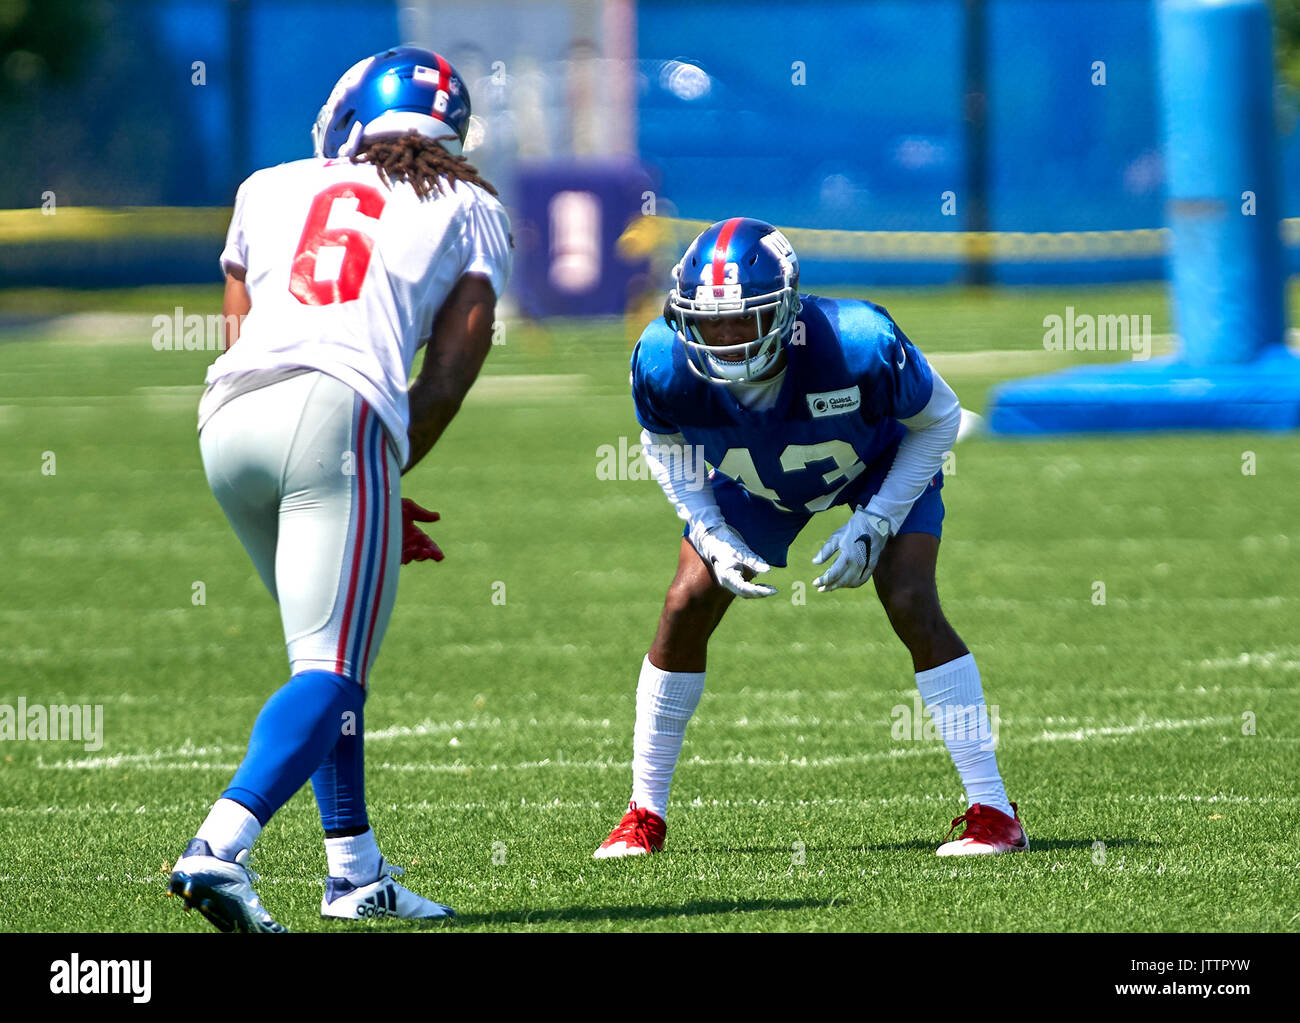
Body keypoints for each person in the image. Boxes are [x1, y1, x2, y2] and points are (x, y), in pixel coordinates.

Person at [168, 46, 512, 931]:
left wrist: (359, 480)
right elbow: (450, 373)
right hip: (342, 413)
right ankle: (218, 845)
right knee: (331, 667)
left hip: (226, 423)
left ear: (350, 116)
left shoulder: (269, 185)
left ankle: (353, 869)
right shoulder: (469, 204)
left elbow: (241, 328)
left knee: (321, 661)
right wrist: (376, 467)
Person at [593, 217, 1026, 860]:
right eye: (711, 323)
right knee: (686, 600)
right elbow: (665, 444)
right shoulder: (661, 357)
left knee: (909, 597)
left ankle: (994, 809)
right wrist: (709, 531)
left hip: (878, 461)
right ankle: (642, 813)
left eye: (744, 320)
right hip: (755, 472)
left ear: (786, 309)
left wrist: (876, 520)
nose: (727, 340)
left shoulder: (858, 340)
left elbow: (939, 422)